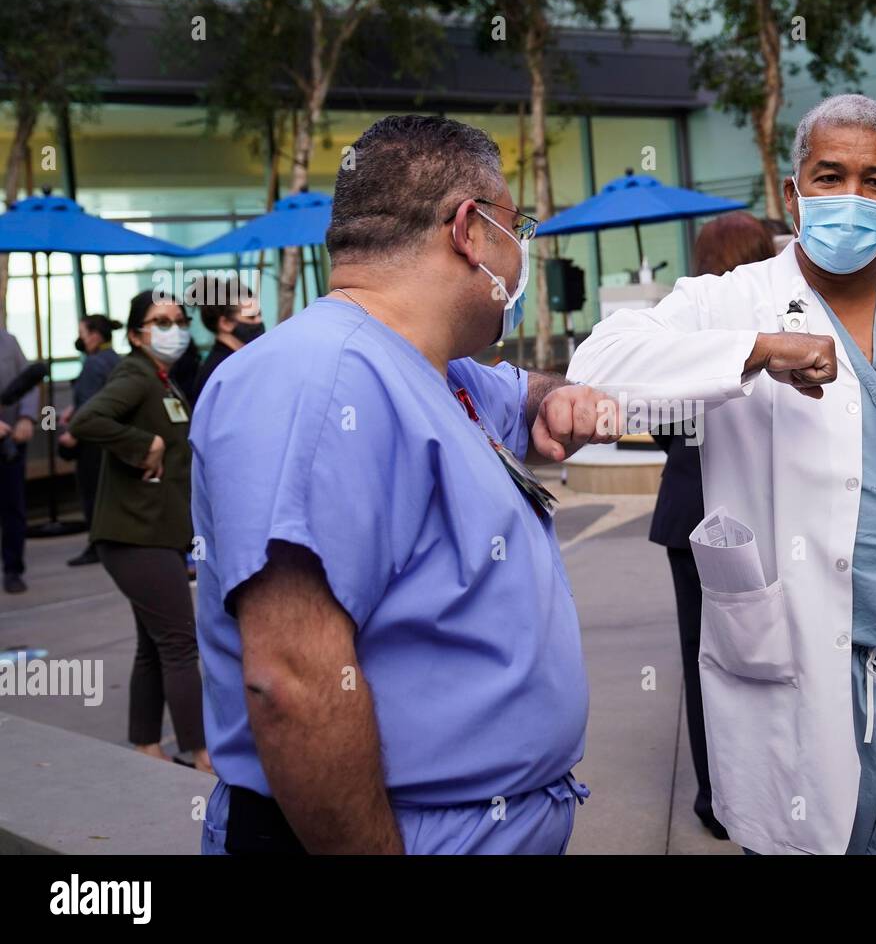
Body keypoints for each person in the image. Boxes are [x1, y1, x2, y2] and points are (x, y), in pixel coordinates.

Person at [568, 94, 876, 855]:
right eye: (830, 176)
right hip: (795, 665)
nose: (853, 199)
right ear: (792, 191)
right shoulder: (729, 304)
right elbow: (597, 372)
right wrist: (756, 349)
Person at [191, 114, 619, 855]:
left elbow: (524, 395)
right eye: (519, 228)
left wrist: (555, 399)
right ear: (470, 229)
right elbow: (293, 682)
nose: (522, 255)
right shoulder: (318, 380)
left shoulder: (434, 370)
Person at [649, 212, 775, 841]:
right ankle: (767, 787)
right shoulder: (774, 331)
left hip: (685, 513)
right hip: (758, 517)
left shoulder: (684, 330)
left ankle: (714, 798)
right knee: (768, 652)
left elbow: (660, 426)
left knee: (704, 658)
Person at [69, 291, 211, 773]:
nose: (173, 329)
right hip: (134, 536)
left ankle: (147, 747)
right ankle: (204, 754)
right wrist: (141, 443)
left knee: (154, 643)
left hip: (155, 532)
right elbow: (88, 419)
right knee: (179, 643)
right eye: (159, 321)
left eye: (179, 320)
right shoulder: (134, 373)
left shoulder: (162, 380)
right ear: (135, 334)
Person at [58, 314, 123, 566]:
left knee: (92, 495)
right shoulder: (116, 360)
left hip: (91, 444)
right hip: (111, 439)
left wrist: (72, 434)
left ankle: (97, 545)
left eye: (83, 333)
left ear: (95, 336)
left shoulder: (93, 364)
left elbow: (89, 405)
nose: (80, 339)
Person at [0, 328, 39, 593]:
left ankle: (13, 569)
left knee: (13, 507)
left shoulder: (9, 340)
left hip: (11, 440)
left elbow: (29, 381)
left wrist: (27, 417)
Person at [191, 276, 263, 402]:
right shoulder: (222, 369)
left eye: (259, 314)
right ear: (225, 323)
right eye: (251, 317)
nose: (259, 321)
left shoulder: (237, 361)